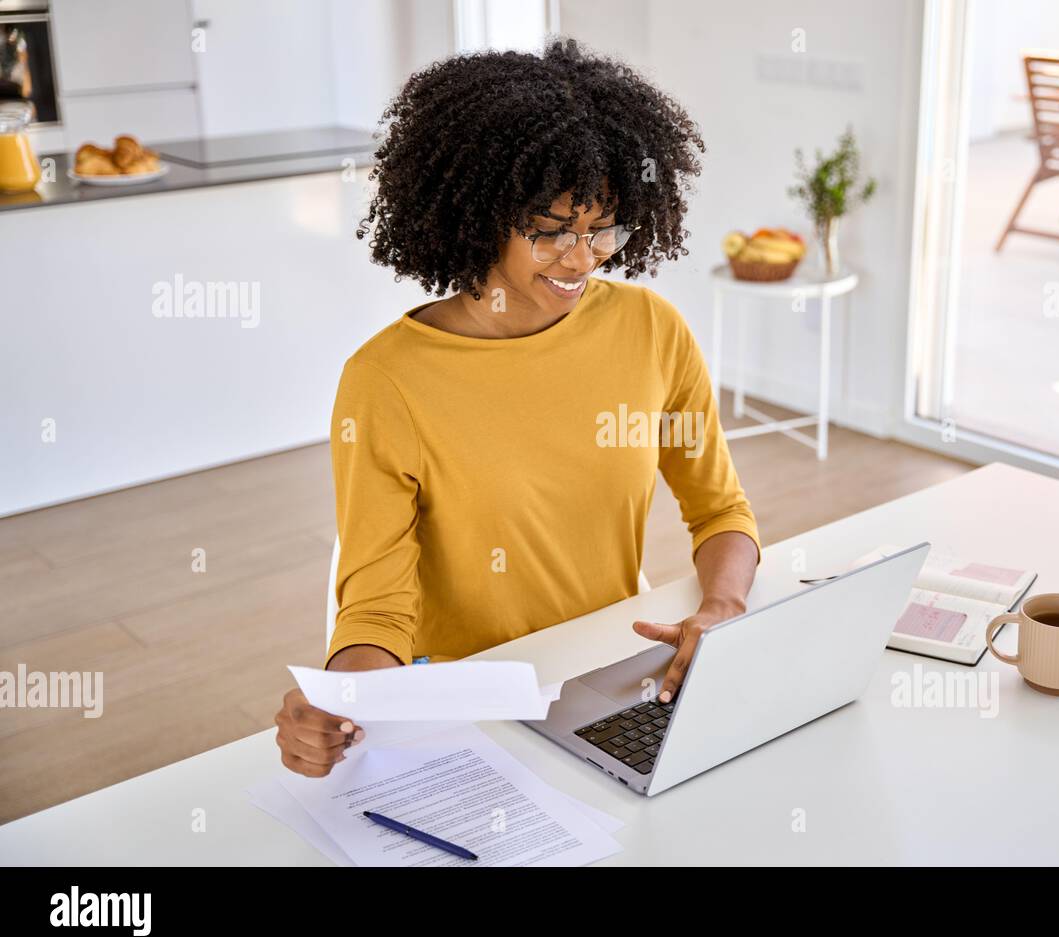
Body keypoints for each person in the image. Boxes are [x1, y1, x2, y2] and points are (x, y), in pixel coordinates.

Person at [276, 38, 759, 778]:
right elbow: (376, 605)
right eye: (550, 231)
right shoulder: (387, 380)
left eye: (604, 227)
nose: (582, 258)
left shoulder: (652, 330)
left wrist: (722, 604)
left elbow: (721, 511)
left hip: (608, 676)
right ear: (476, 214)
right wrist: (341, 703)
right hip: (468, 705)